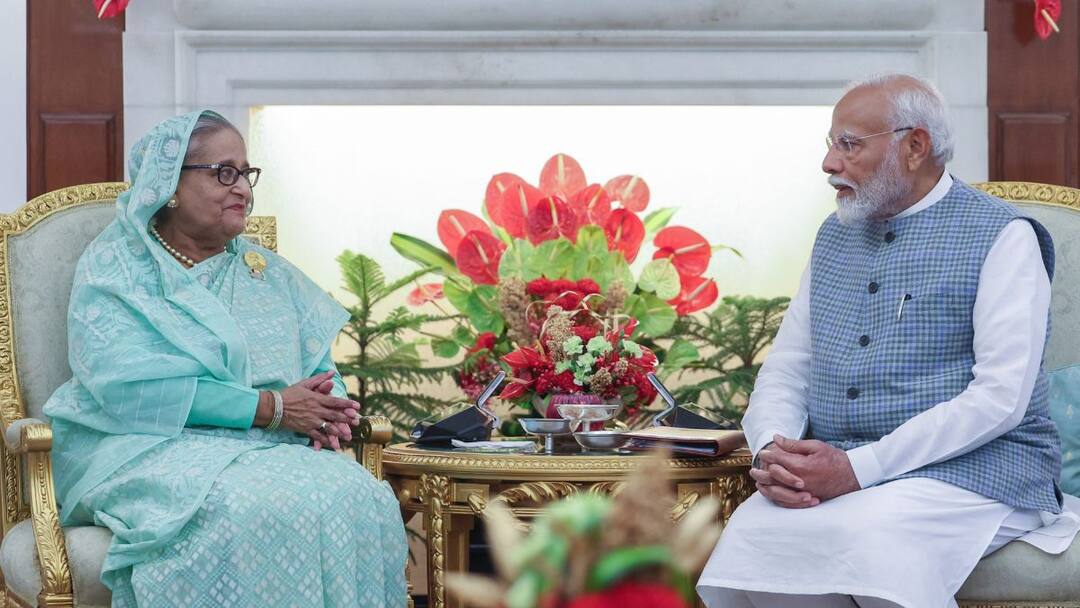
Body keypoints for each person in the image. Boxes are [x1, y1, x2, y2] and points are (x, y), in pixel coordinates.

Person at [696, 74, 1080, 608]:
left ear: (915, 146)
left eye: (848, 144)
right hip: (843, 467)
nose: (829, 164)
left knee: (868, 537)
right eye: (830, 144)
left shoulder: (1002, 235)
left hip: (980, 469)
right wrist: (774, 451)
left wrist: (858, 470)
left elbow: (999, 397)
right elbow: (788, 367)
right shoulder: (833, 236)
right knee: (756, 534)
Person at [43, 110, 407, 607]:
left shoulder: (267, 272)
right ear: (170, 184)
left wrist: (329, 414)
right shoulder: (117, 269)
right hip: (142, 444)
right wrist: (270, 408)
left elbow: (320, 369)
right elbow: (125, 387)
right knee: (247, 505)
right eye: (224, 173)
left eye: (246, 173)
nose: (243, 190)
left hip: (268, 448)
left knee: (359, 495)